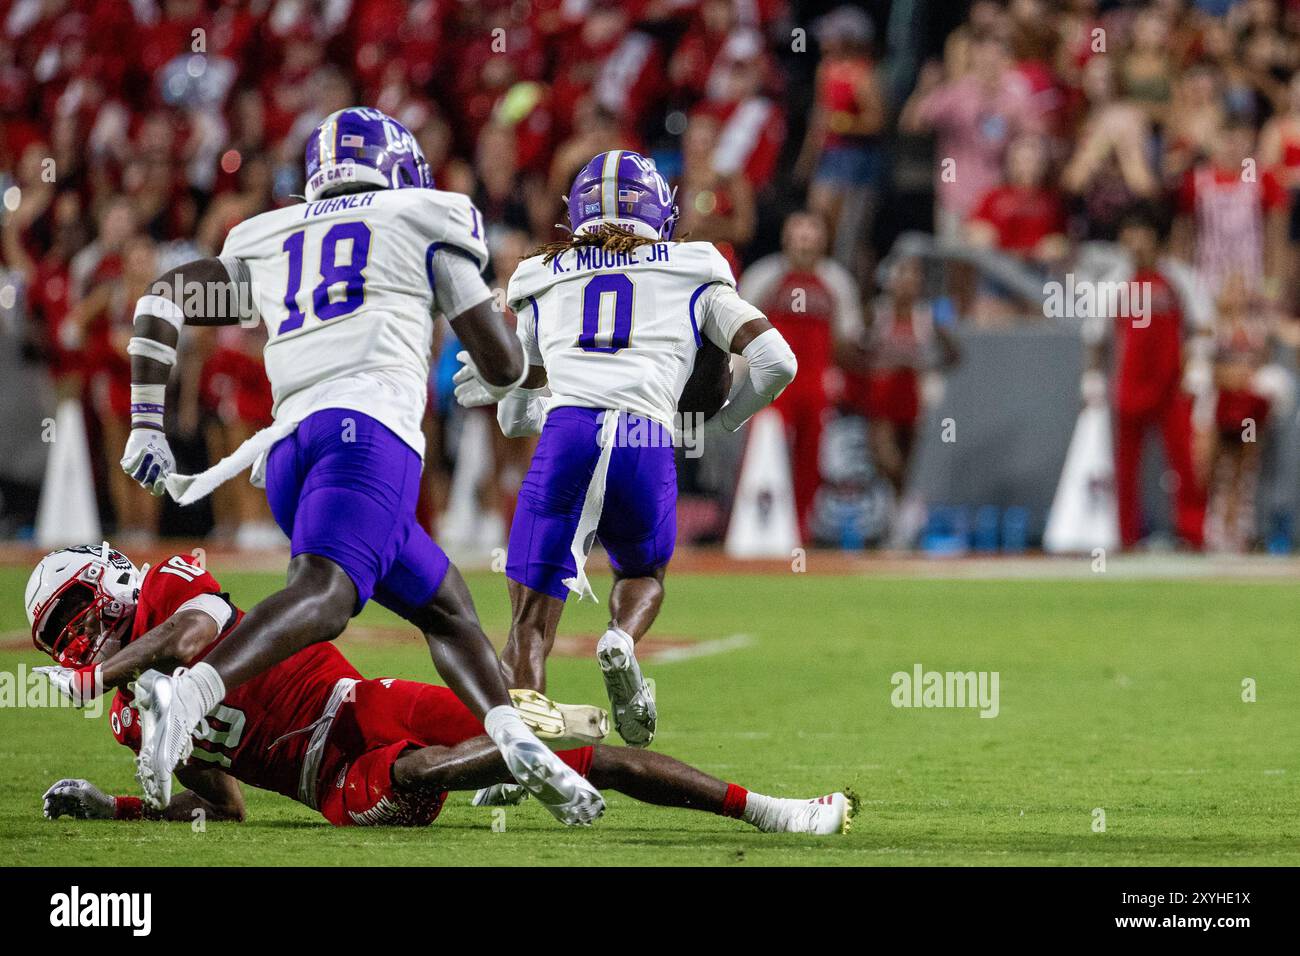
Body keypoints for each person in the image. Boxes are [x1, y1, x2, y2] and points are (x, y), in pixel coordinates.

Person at [115, 106, 602, 825]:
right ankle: (188, 695)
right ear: (398, 167)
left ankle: (516, 740)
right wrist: (518, 374)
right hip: (366, 437)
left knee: (448, 610)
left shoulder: (273, 237)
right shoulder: (422, 217)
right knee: (330, 594)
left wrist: (147, 421)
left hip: (289, 456)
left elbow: (164, 299)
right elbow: (500, 359)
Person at [26, 544, 851, 835]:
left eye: (70, 615)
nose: (70, 640)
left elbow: (201, 631)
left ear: (107, 581)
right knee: (423, 770)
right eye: (56, 638)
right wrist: (114, 805)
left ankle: (770, 809)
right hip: (339, 785)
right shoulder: (133, 724)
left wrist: (104, 673)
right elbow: (220, 808)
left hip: (357, 704)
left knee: (566, 747)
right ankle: (500, 765)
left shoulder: (170, 595)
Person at [454, 150, 796, 756]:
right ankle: (622, 640)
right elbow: (777, 361)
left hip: (567, 435)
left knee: (528, 623)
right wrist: (723, 425)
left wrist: (510, 389)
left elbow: (514, 420)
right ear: (659, 210)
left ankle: (513, 758)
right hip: (645, 435)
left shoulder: (540, 274)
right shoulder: (696, 264)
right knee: (642, 572)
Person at [1085, 207, 1205, 550]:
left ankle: (1193, 534)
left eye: (1140, 234)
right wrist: (1093, 377)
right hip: (1130, 386)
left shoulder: (1180, 278)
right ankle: (1126, 537)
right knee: (1125, 469)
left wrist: (1197, 368)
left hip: (1172, 387)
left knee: (1186, 463)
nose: (1134, 242)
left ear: (1155, 238)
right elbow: (1096, 335)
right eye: (1128, 235)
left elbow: (1202, 327)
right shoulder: (1114, 283)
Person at [740, 212, 859, 539]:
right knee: (763, 449)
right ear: (786, 239)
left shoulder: (837, 282)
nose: (805, 241)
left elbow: (846, 339)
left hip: (814, 382)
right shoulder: (764, 276)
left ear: (823, 240)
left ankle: (800, 530)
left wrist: (836, 377)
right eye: (799, 234)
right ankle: (748, 527)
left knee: (811, 457)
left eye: (812, 234)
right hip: (771, 384)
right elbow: (737, 329)